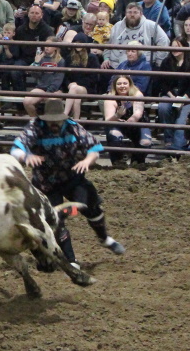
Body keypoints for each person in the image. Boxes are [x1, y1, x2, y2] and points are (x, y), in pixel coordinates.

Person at [11, 98, 125, 266]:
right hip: (46, 183)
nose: (54, 124)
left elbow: (94, 148)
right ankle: (71, 261)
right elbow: (16, 149)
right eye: (50, 121)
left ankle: (104, 238)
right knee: (55, 221)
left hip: (72, 176)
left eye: (57, 121)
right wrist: (26, 156)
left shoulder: (73, 127)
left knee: (91, 205)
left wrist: (87, 161)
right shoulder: (35, 127)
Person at [155, 38, 190, 149]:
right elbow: (162, 82)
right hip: (170, 95)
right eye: (173, 46)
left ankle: (178, 146)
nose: (175, 49)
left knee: (182, 119)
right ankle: (168, 140)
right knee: (163, 107)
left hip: (187, 97)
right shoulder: (166, 62)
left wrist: (183, 98)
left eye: (178, 46)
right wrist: (172, 97)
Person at [102, 2, 170, 70]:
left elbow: (164, 41)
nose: (132, 15)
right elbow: (108, 45)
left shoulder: (151, 26)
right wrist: (106, 58)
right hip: (116, 66)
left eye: (135, 12)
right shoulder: (117, 26)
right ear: (125, 13)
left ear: (141, 14)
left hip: (144, 67)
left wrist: (158, 62)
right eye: (129, 12)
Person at [103, 74, 151, 165]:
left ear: (130, 84)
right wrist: (118, 115)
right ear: (114, 86)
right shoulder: (110, 97)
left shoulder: (137, 94)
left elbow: (138, 113)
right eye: (119, 84)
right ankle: (118, 163)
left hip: (137, 122)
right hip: (117, 123)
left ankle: (137, 162)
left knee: (146, 142)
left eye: (125, 83)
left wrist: (129, 122)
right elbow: (108, 120)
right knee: (114, 137)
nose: (122, 86)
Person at [22, 40, 65, 119]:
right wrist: (36, 63)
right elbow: (35, 75)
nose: (47, 47)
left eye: (49, 45)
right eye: (45, 45)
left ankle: (51, 123)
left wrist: (49, 92)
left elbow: (58, 79)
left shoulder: (60, 60)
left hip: (55, 89)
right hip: (41, 87)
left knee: (52, 101)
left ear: (55, 47)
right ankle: (36, 121)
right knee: (27, 101)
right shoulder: (41, 58)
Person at [63, 34, 99, 120]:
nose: (77, 44)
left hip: (87, 88)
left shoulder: (92, 58)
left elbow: (94, 78)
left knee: (74, 89)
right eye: (75, 42)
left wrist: (77, 84)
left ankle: (65, 114)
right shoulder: (69, 58)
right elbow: (65, 76)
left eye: (80, 42)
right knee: (76, 98)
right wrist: (69, 84)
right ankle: (77, 122)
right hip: (72, 88)